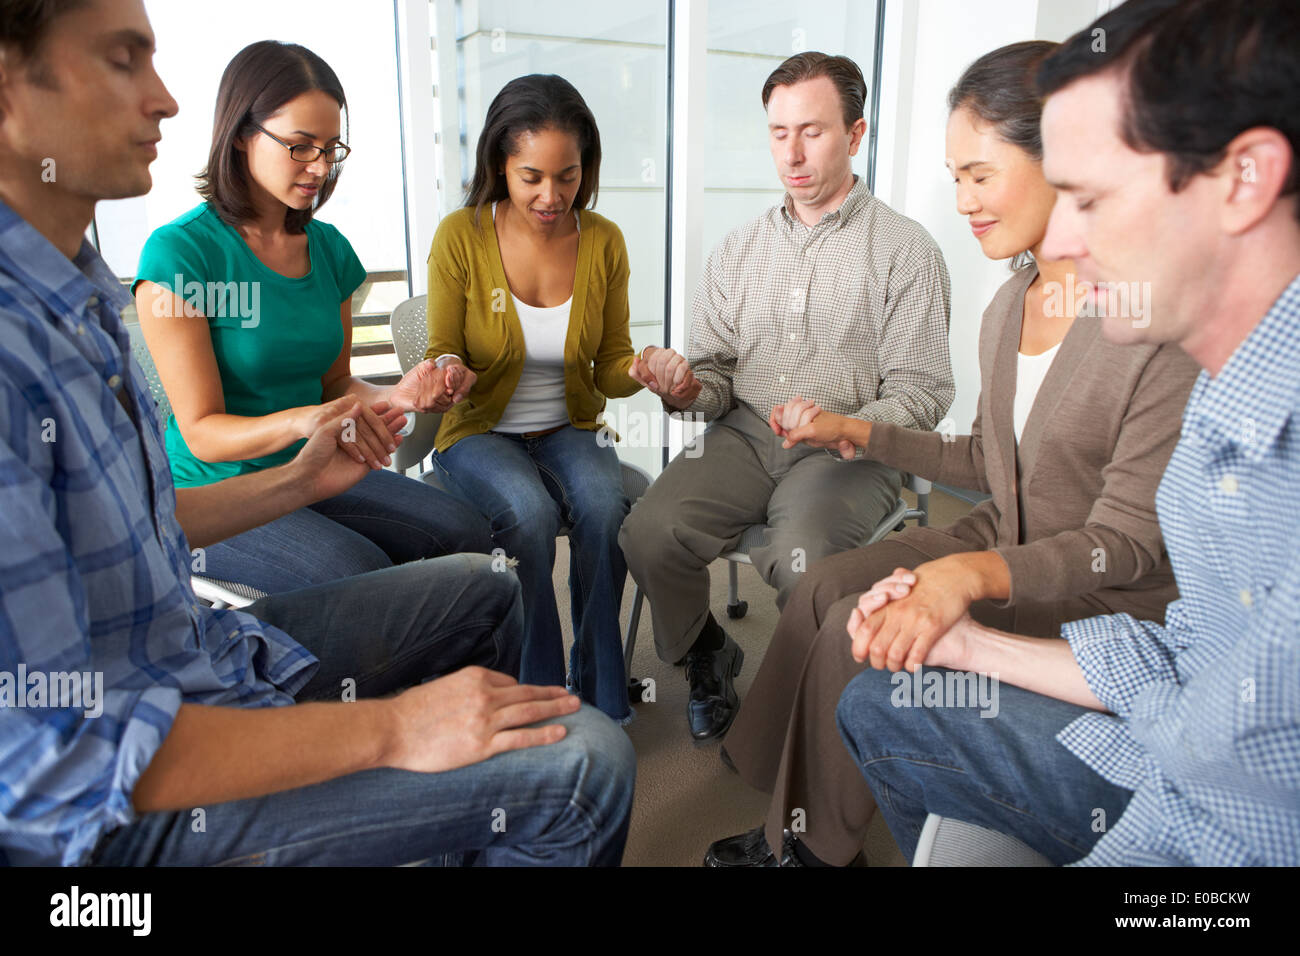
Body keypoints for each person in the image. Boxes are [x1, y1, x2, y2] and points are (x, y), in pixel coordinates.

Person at [0, 0, 634, 868]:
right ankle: (437, 786)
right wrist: (389, 728)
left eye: (329, 149)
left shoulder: (80, 296)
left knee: (481, 571)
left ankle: (453, 813)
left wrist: (353, 432)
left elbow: (155, 514)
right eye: (123, 58)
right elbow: (55, 759)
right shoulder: (156, 270)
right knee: (586, 761)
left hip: (209, 641)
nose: (164, 98)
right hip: (129, 787)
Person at [702, 40, 1201, 867]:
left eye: (980, 173)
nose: (963, 200)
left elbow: (1128, 543)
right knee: (827, 583)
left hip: (1093, 588)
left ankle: (812, 847)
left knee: (854, 628)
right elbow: (989, 460)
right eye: (954, 176)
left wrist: (961, 577)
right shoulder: (1011, 305)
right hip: (1002, 529)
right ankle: (776, 794)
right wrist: (854, 430)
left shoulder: (1147, 325)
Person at [837, 0, 1300, 866]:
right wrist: (967, 641)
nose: (1064, 243)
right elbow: (1191, 658)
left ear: (1244, 180)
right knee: (882, 683)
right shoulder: (1226, 396)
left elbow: (1221, 774)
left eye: (1089, 198)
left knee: (879, 705)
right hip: (1167, 752)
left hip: (1204, 825)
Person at [619, 51, 955, 742]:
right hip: (743, 434)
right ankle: (706, 652)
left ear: (856, 134)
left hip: (849, 450)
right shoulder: (738, 252)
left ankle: (795, 718)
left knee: (804, 561)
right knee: (647, 531)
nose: (793, 153)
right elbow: (712, 380)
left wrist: (841, 425)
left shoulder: (905, 250)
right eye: (779, 133)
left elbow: (922, 392)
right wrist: (684, 387)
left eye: (813, 131)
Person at [132, 39, 493, 594]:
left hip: (320, 465)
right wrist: (305, 422)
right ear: (241, 135)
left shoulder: (328, 250)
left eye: (331, 148)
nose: (321, 167)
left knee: (468, 531)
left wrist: (402, 393)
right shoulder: (180, 255)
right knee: (365, 575)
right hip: (216, 491)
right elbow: (202, 433)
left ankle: (470, 680)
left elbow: (333, 385)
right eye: (300, 147)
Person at [425, 74, 689, 723]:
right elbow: (442, 346)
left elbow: (609, 369)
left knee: (607, 508)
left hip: (571, 426)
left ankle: (600, 691)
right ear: (500, 167)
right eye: (531, 176)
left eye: (567, 176)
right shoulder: (460, 235)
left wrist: (645, 367)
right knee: (529, 516)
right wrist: (451, 370)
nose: (551, 195)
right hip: (480, 434)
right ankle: (537, 692)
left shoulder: (602, 241)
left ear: (585, 168)